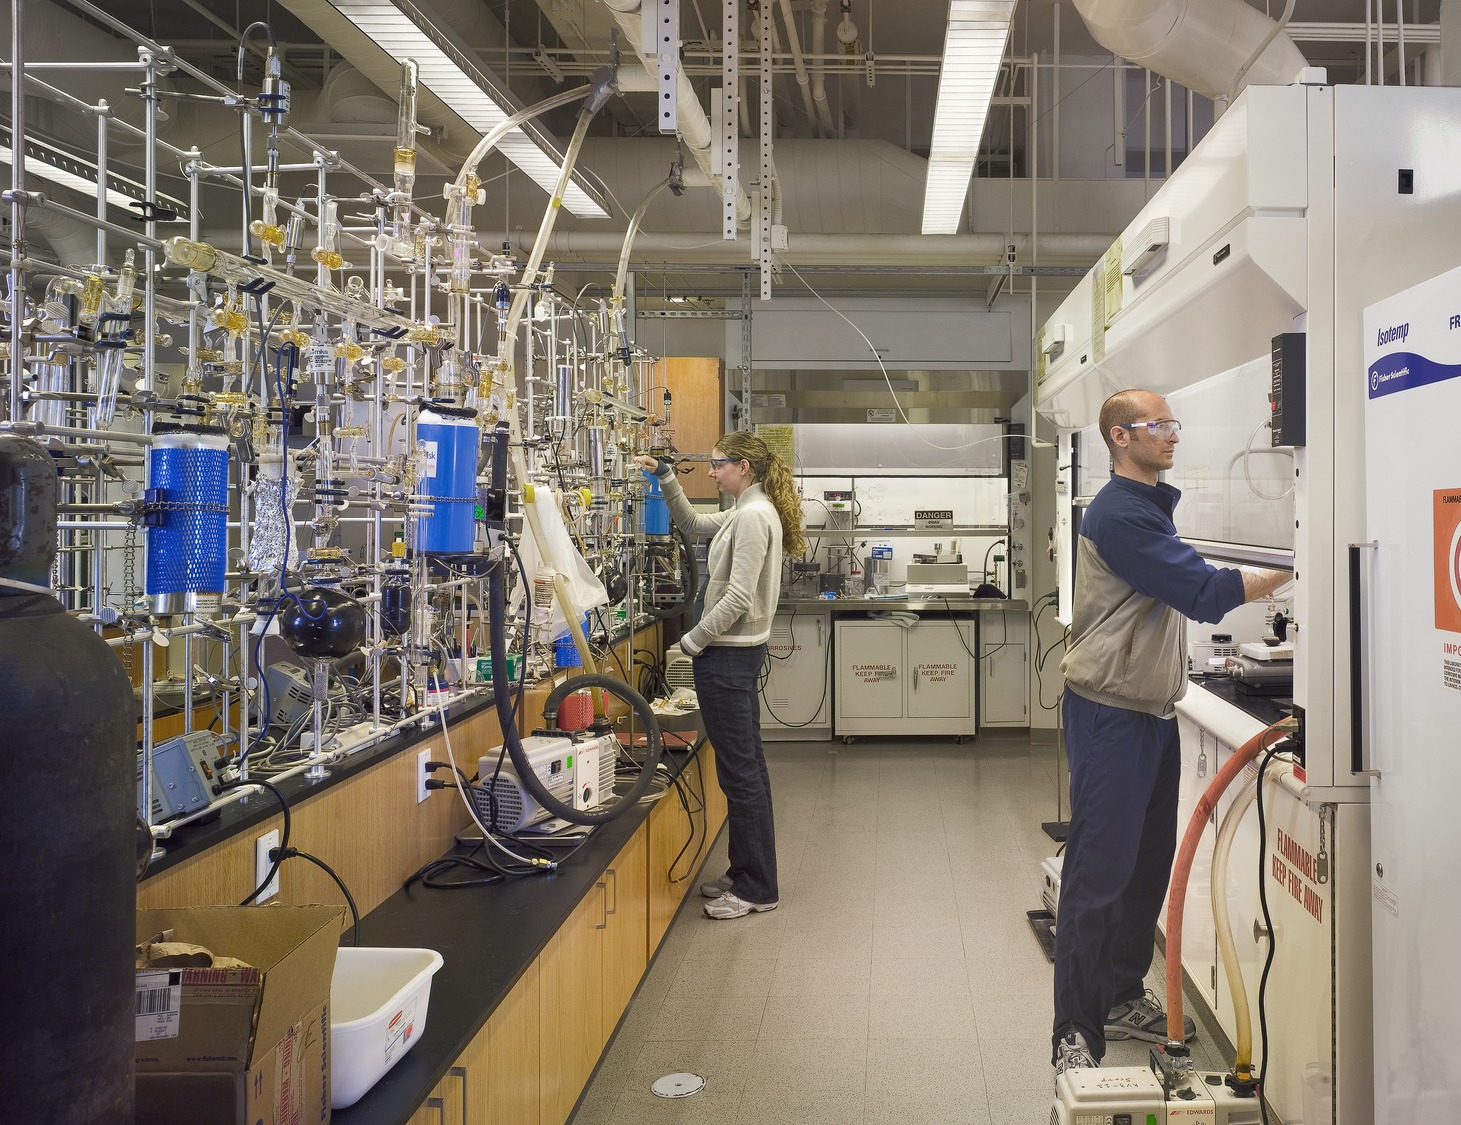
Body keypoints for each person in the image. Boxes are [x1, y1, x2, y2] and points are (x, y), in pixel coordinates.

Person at [1053, 389, 1290, 1076]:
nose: (1171, 435)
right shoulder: (1122, 514)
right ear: (1119, 436)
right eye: (1157, 426)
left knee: (1143, 870)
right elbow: (1204, 592)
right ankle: (1073, 1029)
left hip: (1151, 713)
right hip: (1109, 716)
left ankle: (1121, 991)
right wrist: (1304, 558)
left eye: (1172, 423)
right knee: (1097, 875)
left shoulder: (1146, 507)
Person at [633, 433, 807, 920]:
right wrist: (664, 475)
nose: (711, 472)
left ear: (744, 468)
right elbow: (690, 523)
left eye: (718, 465)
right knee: (743, 768)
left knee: (741, 773)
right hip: (732, 657)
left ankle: (757, 888)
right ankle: (744, 870)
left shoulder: (753, 517)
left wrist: (691, 643)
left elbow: (738, 599)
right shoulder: (744, 510)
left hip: (727, 658)